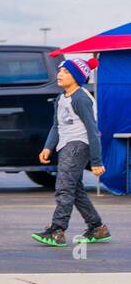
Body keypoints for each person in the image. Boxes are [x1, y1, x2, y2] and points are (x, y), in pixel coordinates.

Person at [32, 56, 111, 247]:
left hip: (78, 145)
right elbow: (56, 126)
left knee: (64, 187)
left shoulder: (81, 98)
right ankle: (97, 227)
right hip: (66, 145)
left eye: (66, 72)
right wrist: (48, 147)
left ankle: (57, 230)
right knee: (75, 190)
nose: (60, 74)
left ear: (77, 76)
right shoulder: (62, 98)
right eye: (60, 70)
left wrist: (97, 161)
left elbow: (93, 131)